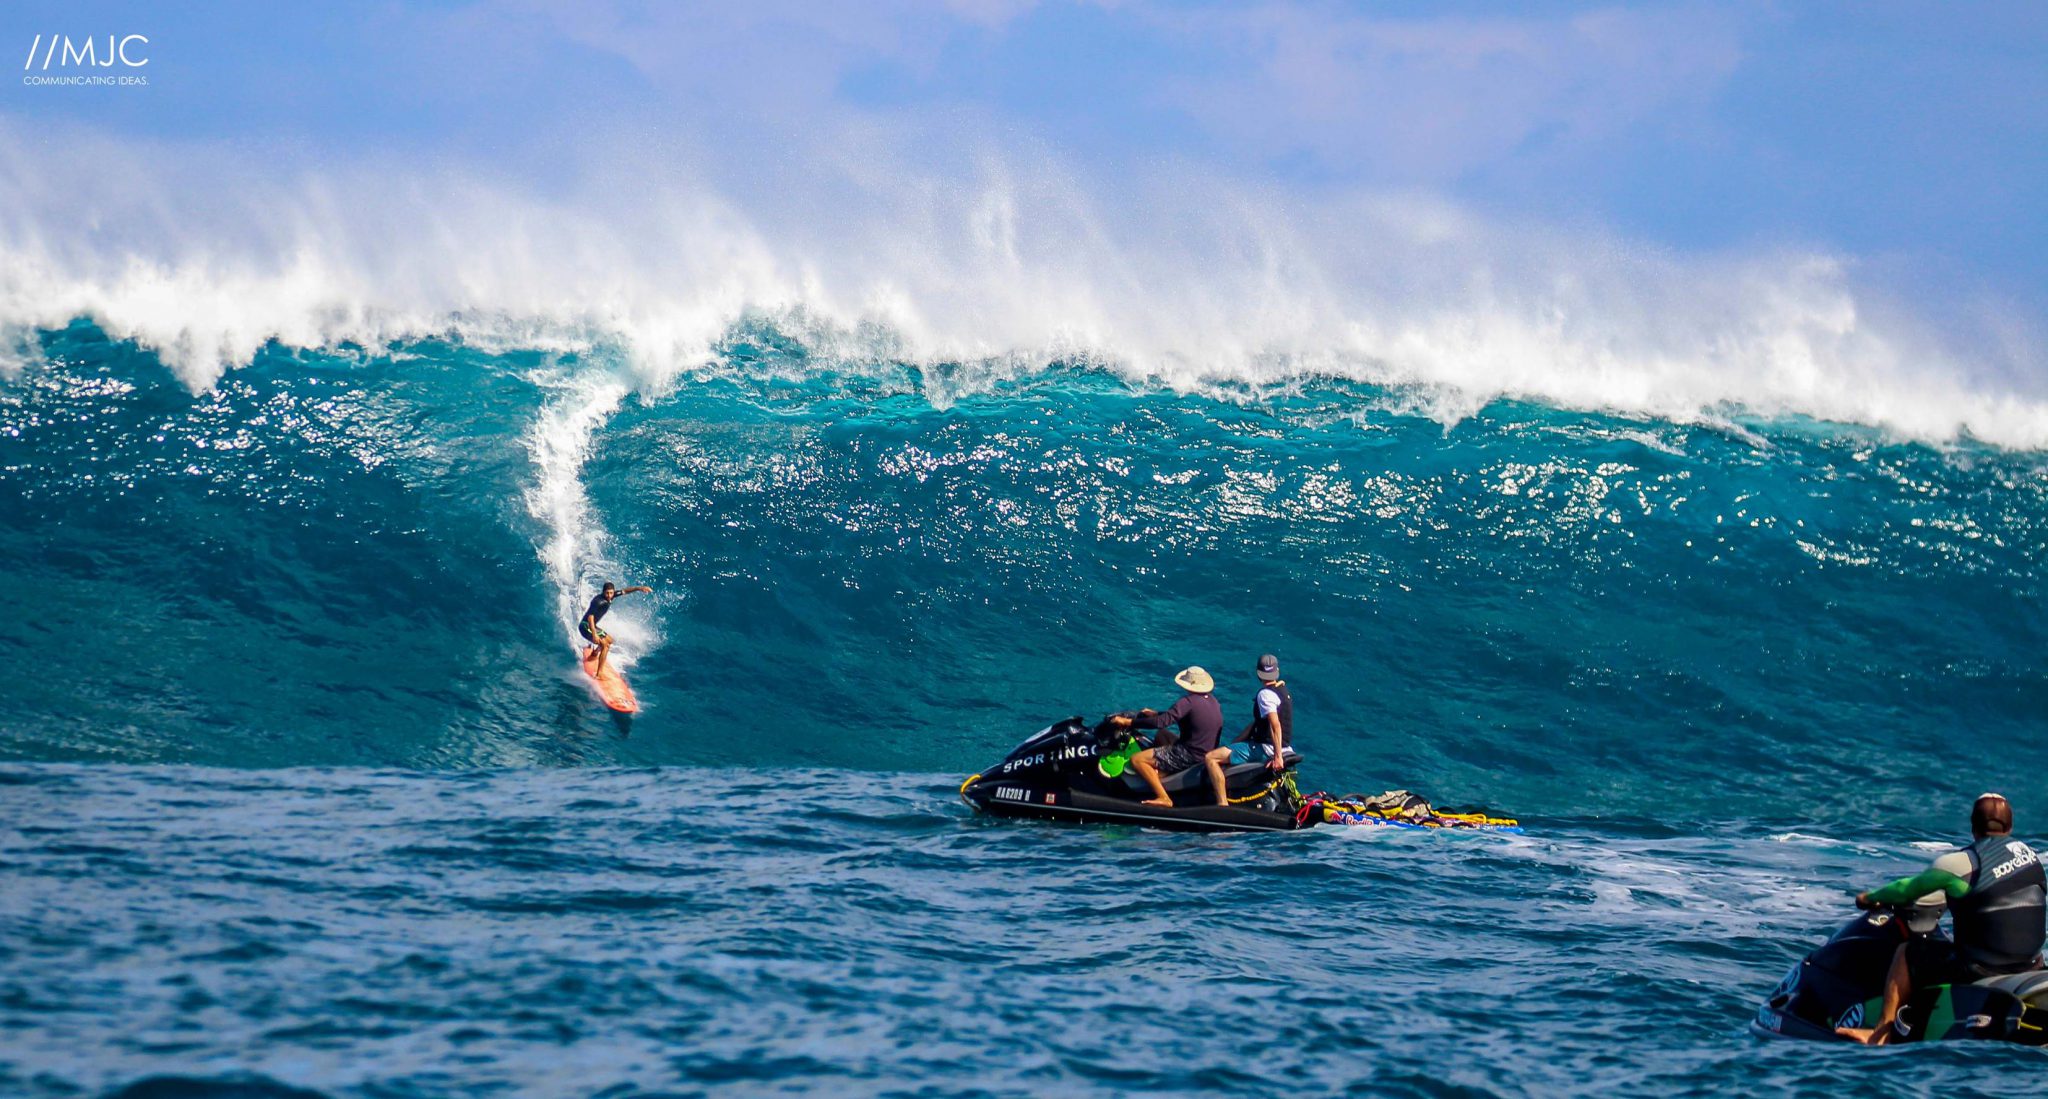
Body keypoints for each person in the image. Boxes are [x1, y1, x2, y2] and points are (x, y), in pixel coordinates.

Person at [1836, 793, 2046, 1045]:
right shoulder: (2032, 858)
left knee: (1906, 953)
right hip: (2031, 964)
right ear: (2010, 827)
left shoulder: (1961, 864)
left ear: (1973, 828)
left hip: (1981, 968)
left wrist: (1870, 898)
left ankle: (1881, 1032)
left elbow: (1906, 890)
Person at [1107, 667, 1227, 808]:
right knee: (1162, 734)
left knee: (1137, 759)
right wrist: (1157, 713)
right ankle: (1162, 771)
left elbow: (1159, 723)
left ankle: (1163, 797)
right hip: (1205, 751)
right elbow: (1178, 717)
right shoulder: (1213, 701)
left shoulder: (1187, 701)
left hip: (1189, 754)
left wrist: (1128, 722)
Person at [1216, 653, 1291, 774]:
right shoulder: (1283, 690)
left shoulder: (1265, 694)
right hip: (1285, 747)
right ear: (1277, 670)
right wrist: (1235, 742)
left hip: (1267, 748)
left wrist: (1278, 757)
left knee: (1212, 757)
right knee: (1232, 748)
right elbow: (1258, 723)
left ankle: (1220, 788)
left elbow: (1275, 725)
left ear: (1258, 673)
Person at [581, 581, 652, 677]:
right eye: (607, 593)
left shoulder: (612, 595)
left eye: (611, 593)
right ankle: (599, 674)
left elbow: (625, 591)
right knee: (605, 645)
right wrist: (594, 634)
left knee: (610, 641)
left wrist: (639, 588)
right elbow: (590, 617)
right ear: (603, 592)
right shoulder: (598, 601)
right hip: (586, 626)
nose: (609, 595)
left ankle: (594, 654)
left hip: (592, 626)